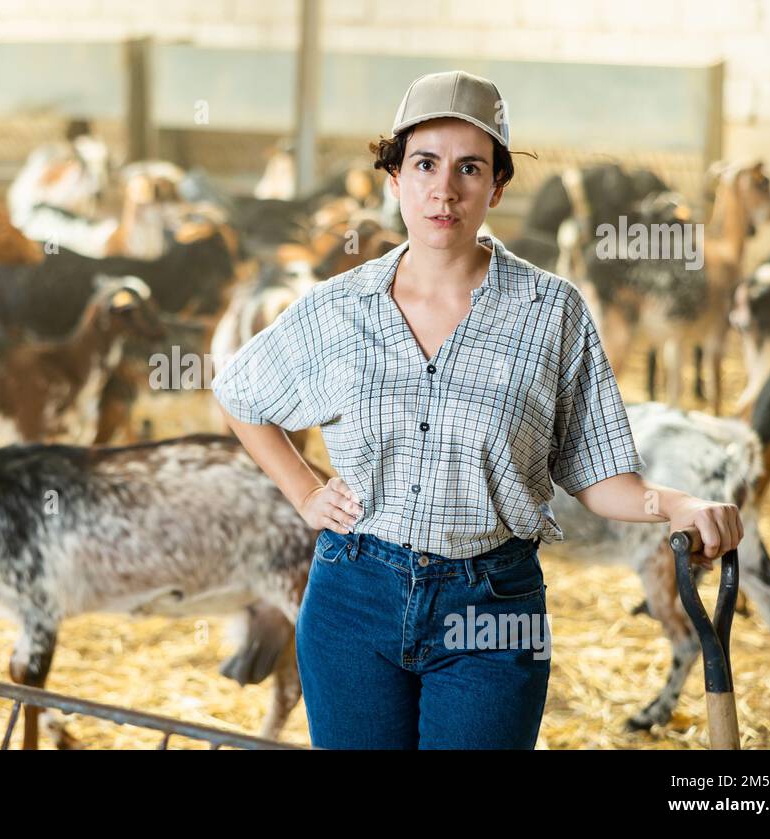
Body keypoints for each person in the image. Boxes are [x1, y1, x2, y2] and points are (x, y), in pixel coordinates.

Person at [211, 70, 743, 750]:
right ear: (394, 176)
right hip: (353, 597)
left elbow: (599, 474)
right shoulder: (336, 309)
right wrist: (306, 493)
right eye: (425, 164)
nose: (444, 189)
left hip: (492, 609)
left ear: (496, 186)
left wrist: (677, 505)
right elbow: (240, 393)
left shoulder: (552, 311)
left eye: (470, 168)